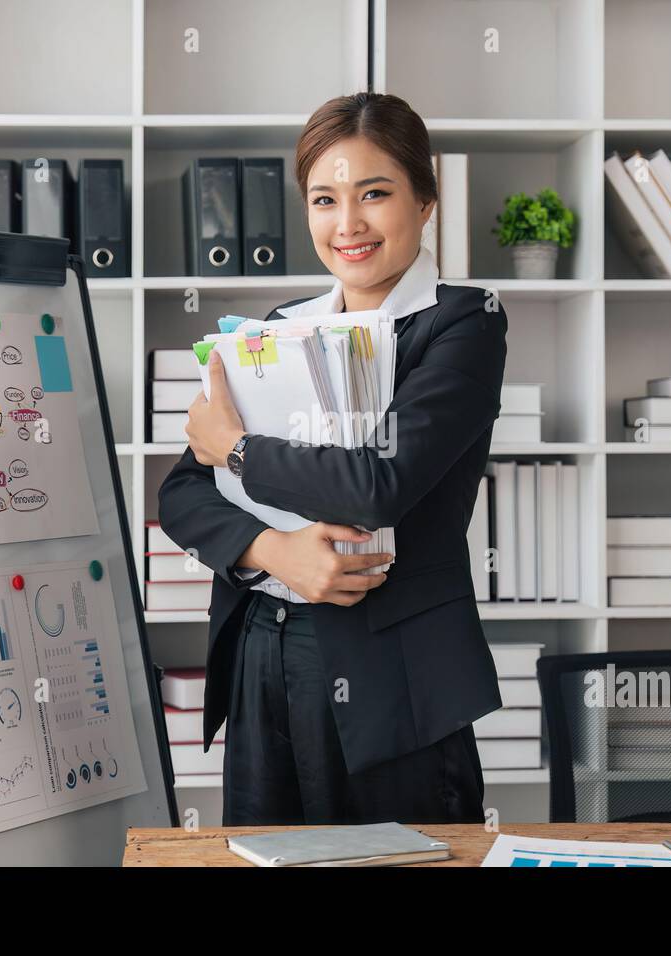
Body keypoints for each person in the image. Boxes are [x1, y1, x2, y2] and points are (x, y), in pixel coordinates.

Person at [157, 91, 508, 826]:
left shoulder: (464, 323)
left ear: (426, 198)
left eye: (374, 194)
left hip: (393, 679)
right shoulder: (278, 331)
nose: (347, 224)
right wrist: (274, 550)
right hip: (262, 651)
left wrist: (241, 448)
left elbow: (378, 486)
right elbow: (186, 492)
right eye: (324, 199)